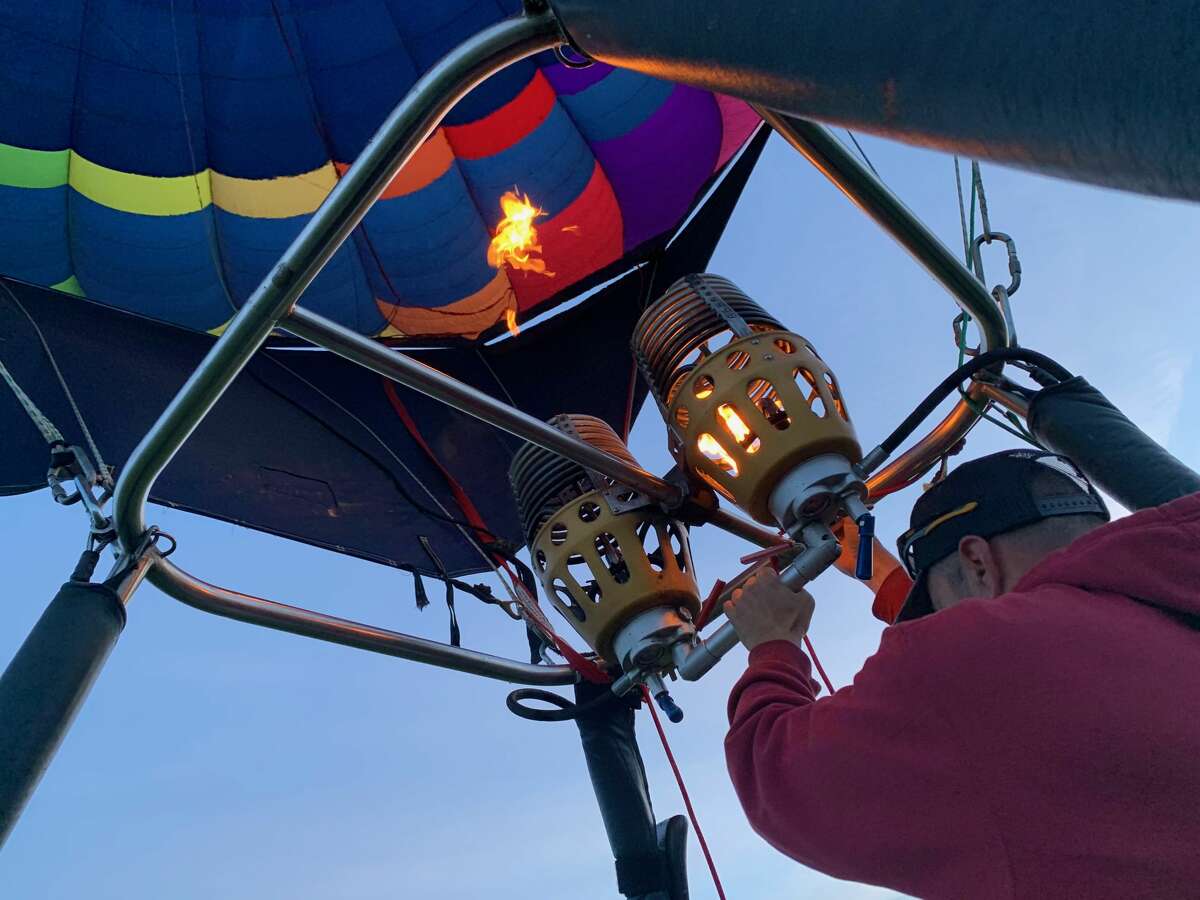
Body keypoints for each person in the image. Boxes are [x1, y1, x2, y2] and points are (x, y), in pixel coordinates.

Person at [723, 447, 1200, 899]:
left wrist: (772, 645)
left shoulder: (980, 655)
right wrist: (887, 580)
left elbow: (784, 782)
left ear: (976, 561)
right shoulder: (1165, 602)